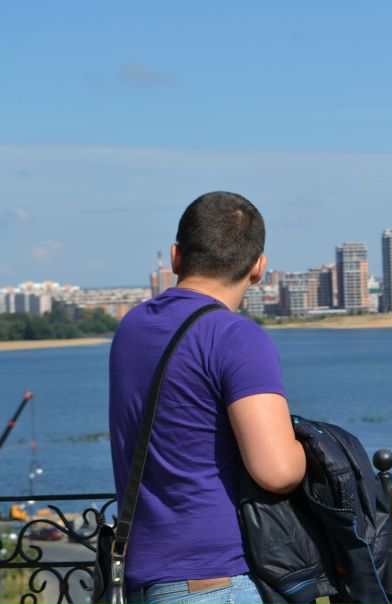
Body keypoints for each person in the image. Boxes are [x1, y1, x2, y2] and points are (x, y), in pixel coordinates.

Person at [109, 191, 307, 604]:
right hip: (216, 579)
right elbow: (277, 471)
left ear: (176, 257)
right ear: (259, 268)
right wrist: (313, 451)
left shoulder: (132, 327)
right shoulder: (237, 337)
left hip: (142, 577)